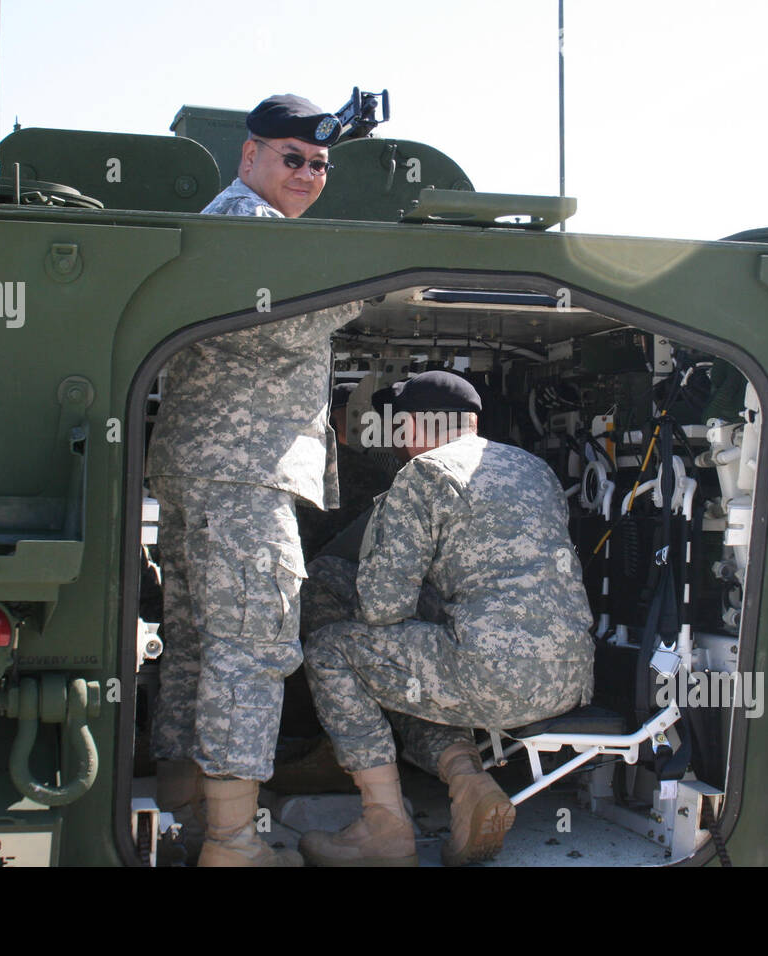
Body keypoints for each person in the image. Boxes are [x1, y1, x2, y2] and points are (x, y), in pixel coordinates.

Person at [144, 93, 358, 867]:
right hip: (243, 482)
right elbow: (304, 316)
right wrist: (395, 268)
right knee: (253, 652)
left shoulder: (232, 222)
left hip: (202, 476)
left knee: (199, 651)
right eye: (292, 158)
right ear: (250, 155)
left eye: (321, 165)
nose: (307, 175)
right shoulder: (250, 230)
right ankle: (233, 846)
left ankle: (190, 822)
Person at [298, 371, 595, 866]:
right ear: (474, 422)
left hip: (486, 675)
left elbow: (382, 607)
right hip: (568, 679)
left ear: (413, 426)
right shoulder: (534, 468)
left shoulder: (424, 474)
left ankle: (384, 828)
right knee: (414, 663)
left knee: (334, 652)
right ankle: (466, 779)